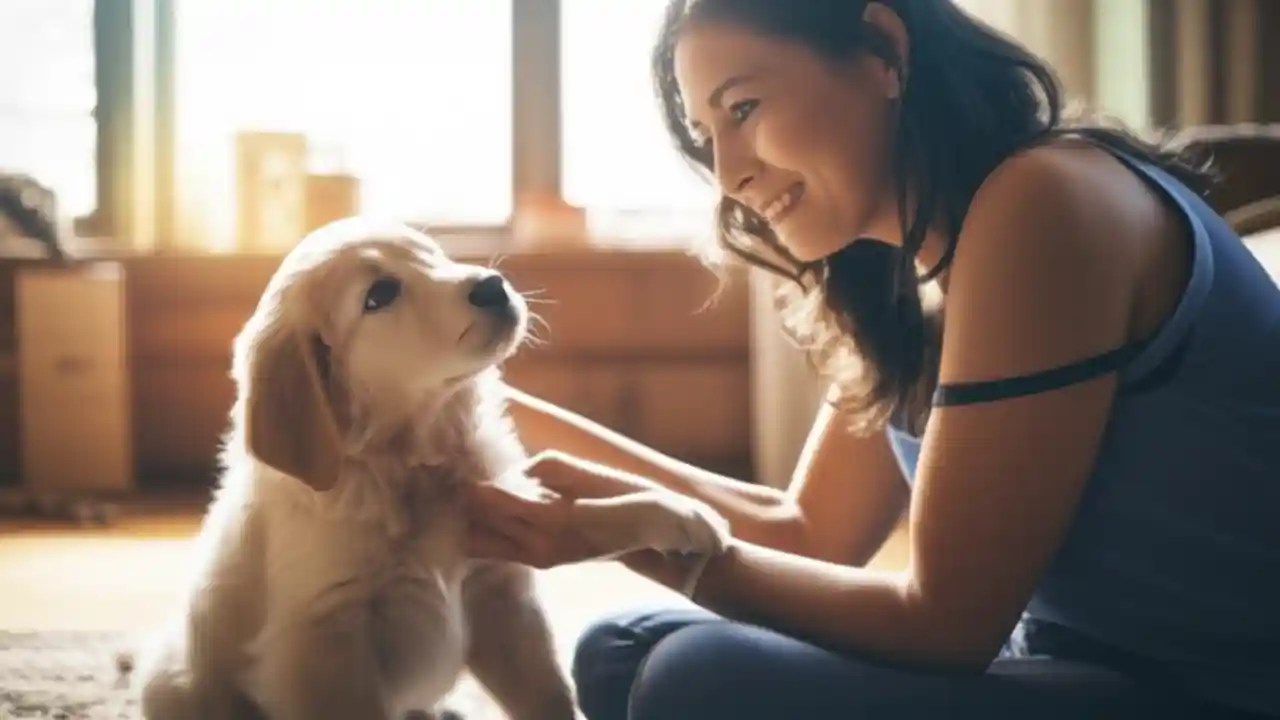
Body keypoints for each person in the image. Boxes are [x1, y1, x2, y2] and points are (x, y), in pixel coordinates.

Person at [466, 1, 1280, 718]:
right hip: (1071, 669)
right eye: (707, 135)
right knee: (623, 648)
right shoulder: (910, 276)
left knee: (696, 677)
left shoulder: (1048, 201)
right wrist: (489, 408)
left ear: (883, 49)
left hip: (1214, 691)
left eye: (743, 107)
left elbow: (947, 624)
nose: (730, 175)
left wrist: (621, 532)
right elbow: (811, 534)